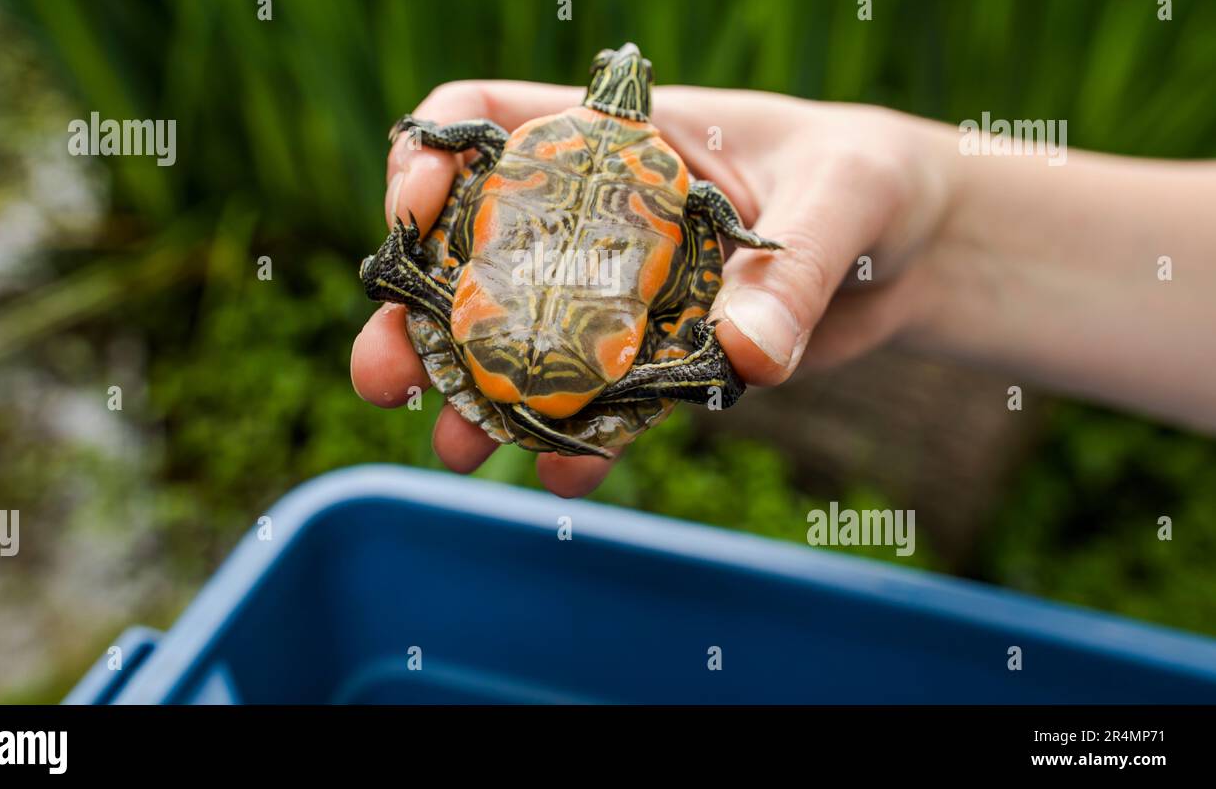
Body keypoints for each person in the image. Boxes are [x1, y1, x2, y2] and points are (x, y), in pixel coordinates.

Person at [352, 79, 1216, 497]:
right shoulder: (674, 185)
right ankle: (452, 297)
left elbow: (468, 149)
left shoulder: (544, 146)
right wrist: (753, 240)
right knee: (708, 353)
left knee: (414, 258)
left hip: (508, 324)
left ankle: (417, 284)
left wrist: (433, 136)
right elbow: (706, 216)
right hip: (598, 350)